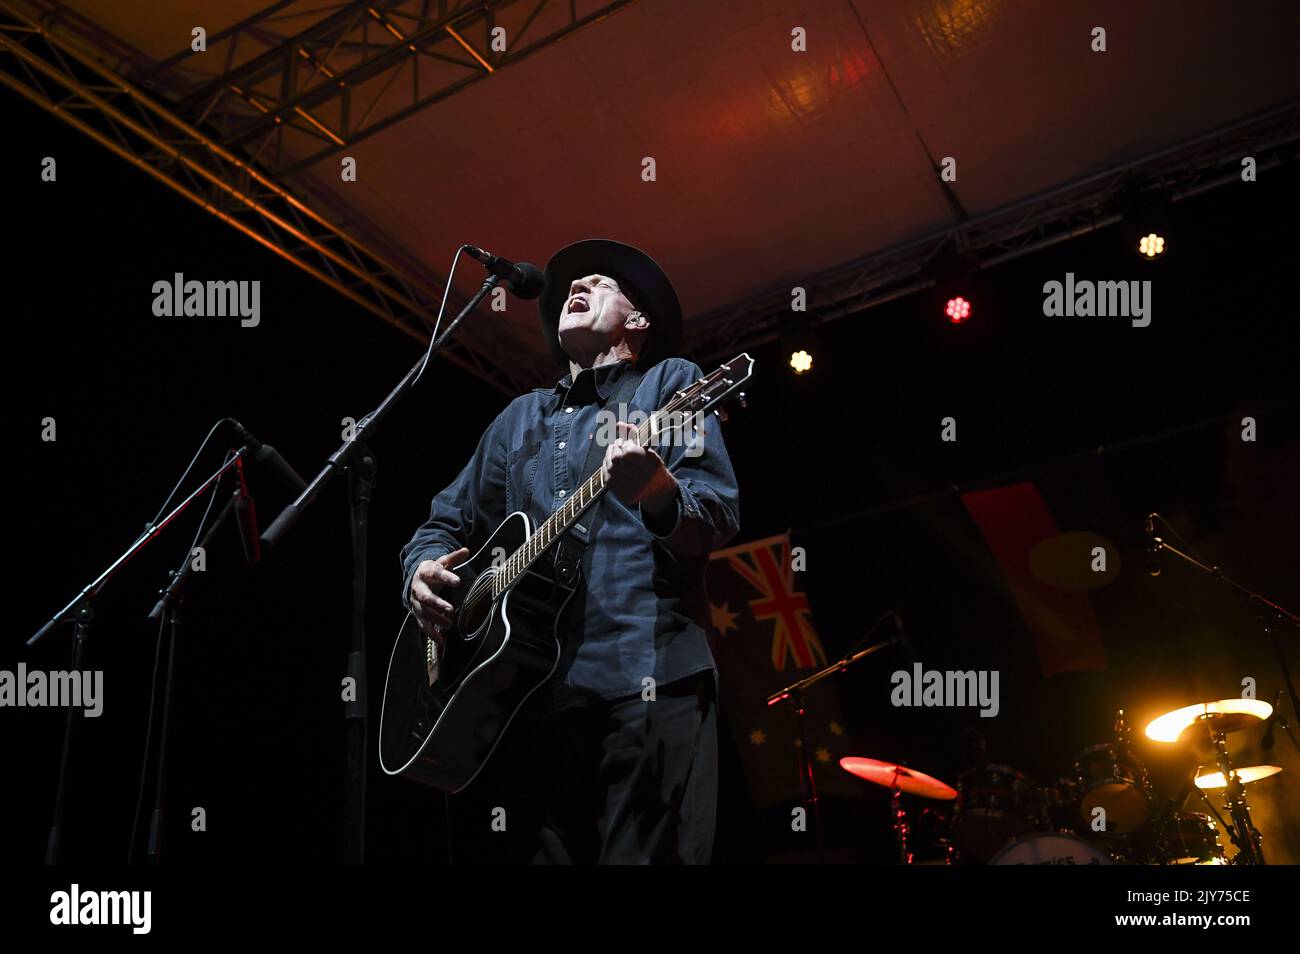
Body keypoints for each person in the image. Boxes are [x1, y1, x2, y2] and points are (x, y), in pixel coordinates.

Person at [400, 239, 740, 863]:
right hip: (528, 704)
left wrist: (658, 490)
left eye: (599, 284)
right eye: (570, 288)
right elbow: (443, 524)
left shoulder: (671, 385)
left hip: (646, 676)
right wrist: (418, 574)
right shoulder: (519, 419)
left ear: (638, 322)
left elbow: (716, 513)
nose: (576, 288)